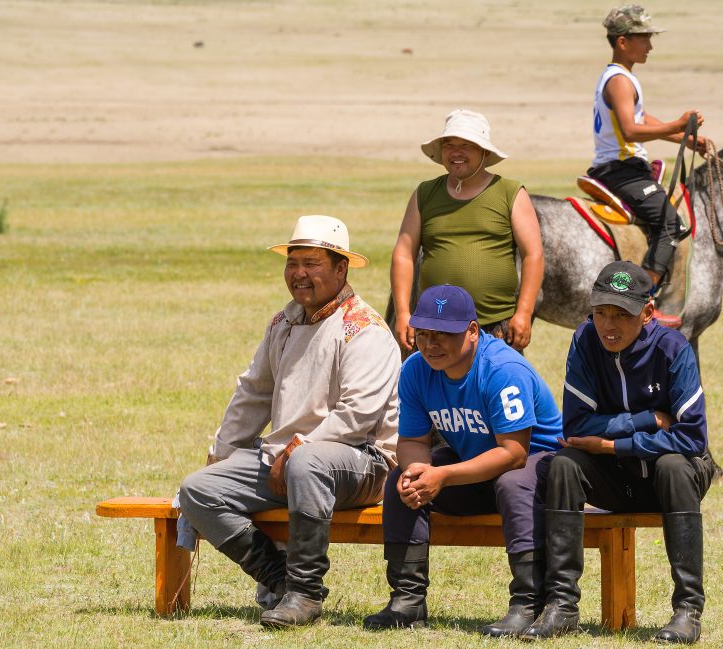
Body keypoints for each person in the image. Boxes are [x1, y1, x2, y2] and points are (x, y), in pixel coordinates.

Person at [177, 215, 400, 630]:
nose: (299, 273)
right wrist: (222, 454)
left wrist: (298, 450)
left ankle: (306, 592)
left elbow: (358, 415)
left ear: (340, 268)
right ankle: (280, 580)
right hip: (285, 459)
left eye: (312, 263)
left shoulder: (364, 328)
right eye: (293, 262)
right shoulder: (284, 322)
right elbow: (254, 393)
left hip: (363, 462)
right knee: (198, 490)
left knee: (307, 464)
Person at [523, 261, 714, 644]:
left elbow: (692, 438)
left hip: (670, 479)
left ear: (646, 313)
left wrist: (613, 444)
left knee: (675, 466)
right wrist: (645, 419)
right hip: (614, 475)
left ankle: (687, 611)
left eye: (621, 315)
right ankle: (562, 606)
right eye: (600, 313)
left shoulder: (673, 348)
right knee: (563, 464)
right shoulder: (584, 340)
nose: (608, 325)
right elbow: (576, 427)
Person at [364, 284, 562, 638]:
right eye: (423, 334)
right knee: (402, 481)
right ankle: (408, 600)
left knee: (512, 482)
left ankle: (527, 604)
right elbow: (411, 440)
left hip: (538, 467)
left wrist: (443, 475)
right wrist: (417, 471)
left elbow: (515, 453)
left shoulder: (502, 369)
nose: (430, 344)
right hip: (475, 465)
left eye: (443, 335)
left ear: (473, 331)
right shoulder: (415, 370)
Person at [588, 5, 708, 328]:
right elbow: (630, 129)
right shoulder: (619, 81)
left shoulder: (622, 78)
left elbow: (641, 121)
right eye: (644, 39)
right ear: (623, 42)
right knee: (671, 224)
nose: (650, 46)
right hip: (621, 169)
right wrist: (677, 123)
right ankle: (641, 297)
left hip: (623, 166)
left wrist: (683, 135)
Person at [391, 109, 544, 353]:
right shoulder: (425, 193)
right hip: (434, 325)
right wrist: (402, 313)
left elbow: (533, 254)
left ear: (484, 151)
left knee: (492, 390)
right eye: (449, 144)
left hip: (495, 326)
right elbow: (403, 253)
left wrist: (524, 313)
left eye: (466, 145)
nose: (456, 152)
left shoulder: (510, 192)